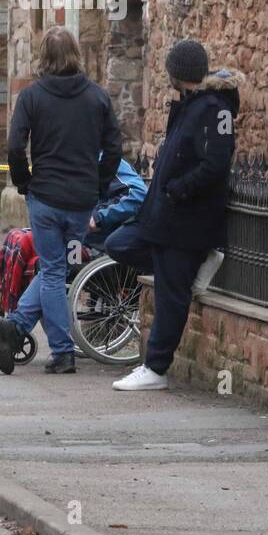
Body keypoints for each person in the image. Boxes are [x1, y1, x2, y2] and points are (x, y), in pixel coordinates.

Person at [103, 41, 239, 392]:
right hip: (162, 218)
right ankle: (194, 262)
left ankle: (155, 368)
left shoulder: (214, 109)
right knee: (118, 243)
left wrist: (179, 188)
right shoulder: (186, 107)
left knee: (171, 294)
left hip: (186, 222)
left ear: (175, 74)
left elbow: (216, 165)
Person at [0, 26, 121, 375]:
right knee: (56, 270)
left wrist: (24, 182)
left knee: (51, 271)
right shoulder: (97, 97)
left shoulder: (32, 97)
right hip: (80, 200)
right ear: (75, 54)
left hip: (44, 197)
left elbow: (15, 147)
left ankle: (59, 350)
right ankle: (16, 328)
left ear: (45, 56)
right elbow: (115, 149)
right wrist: (101, 185)